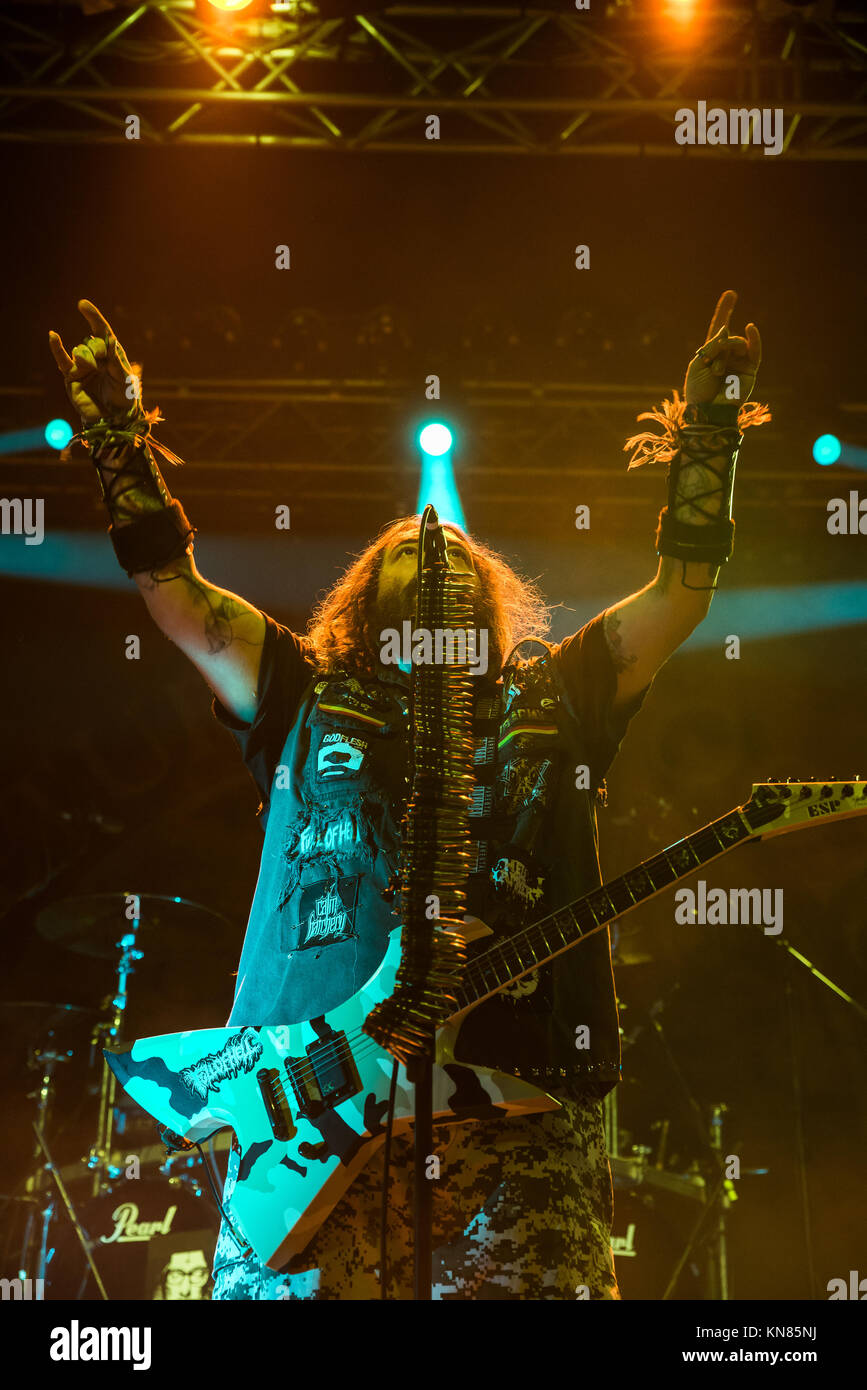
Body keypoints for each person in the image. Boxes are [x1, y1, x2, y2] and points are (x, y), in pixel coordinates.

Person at [48, 291, 764, 1300]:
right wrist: (121, 442)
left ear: (491, 591)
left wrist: (711, 432)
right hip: (310, 1099)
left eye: (451, 552)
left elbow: (680, 596)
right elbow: (180, 600)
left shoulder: (559, 691)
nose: (428, 548)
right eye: (397, 549)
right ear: (358, 594)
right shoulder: (301, 692)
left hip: (517, 1100)